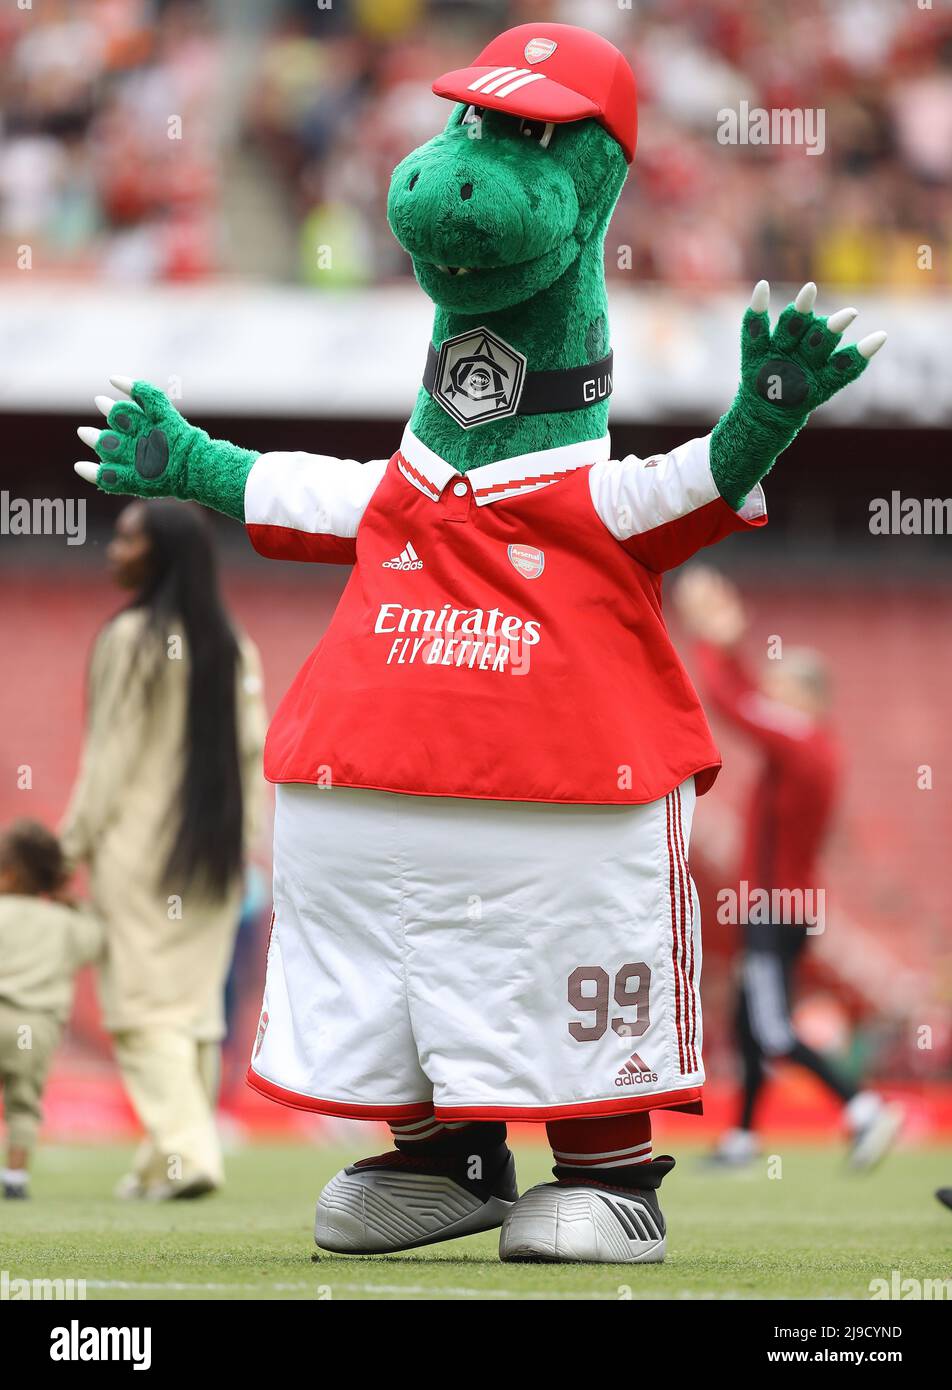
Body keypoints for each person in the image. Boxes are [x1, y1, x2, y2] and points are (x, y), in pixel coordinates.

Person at [60, 500, 267, 1200]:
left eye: (125, 540)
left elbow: (107, 760)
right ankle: (161, 1164)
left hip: (137, 854)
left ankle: (187, 1151)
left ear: (161, 554)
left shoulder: (130, 638)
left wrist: (67, 848)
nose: (111, 551)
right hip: (213, 858)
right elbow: (251, 756)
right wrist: (246, 850)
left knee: (144, 1011)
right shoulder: (234, 642)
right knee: (195, 1014)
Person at [672, 565, 903, 1170]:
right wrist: (728, 641)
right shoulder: (811, 741)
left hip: (777, 906)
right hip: (781, 904)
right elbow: (748, 696)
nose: (770, 696)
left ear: (806, 695)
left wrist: (710, 637)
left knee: (771, 1027)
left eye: (781, 688)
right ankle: (744, 1138)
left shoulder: (801, 742)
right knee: (751, 1021)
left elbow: (733, 703)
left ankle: (863, 1109)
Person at [0, 820, 102, 1199]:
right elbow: (96, 941)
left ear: (8, 874)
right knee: (23, 1104)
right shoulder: (63, 923)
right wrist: (72, 904)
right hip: (37, 1027)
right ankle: (15, 1178)